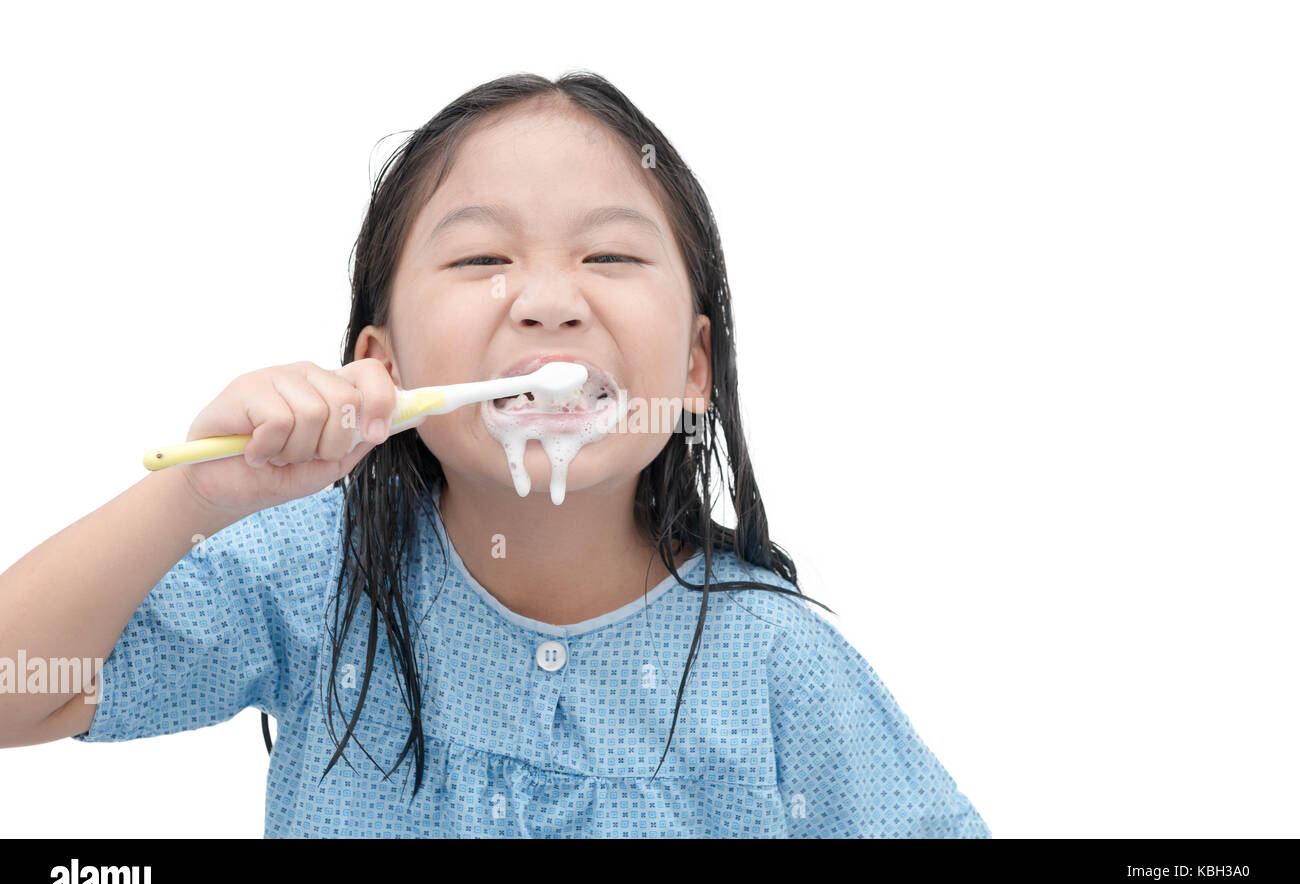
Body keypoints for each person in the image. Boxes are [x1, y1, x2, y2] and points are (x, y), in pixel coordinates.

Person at [0, 70, 990, 838]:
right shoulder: (316, 580)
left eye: (609, 256)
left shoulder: (777, 667)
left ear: (694, 367)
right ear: (380, 365)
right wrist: (191, 501)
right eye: (482, 259)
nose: (548, 298)